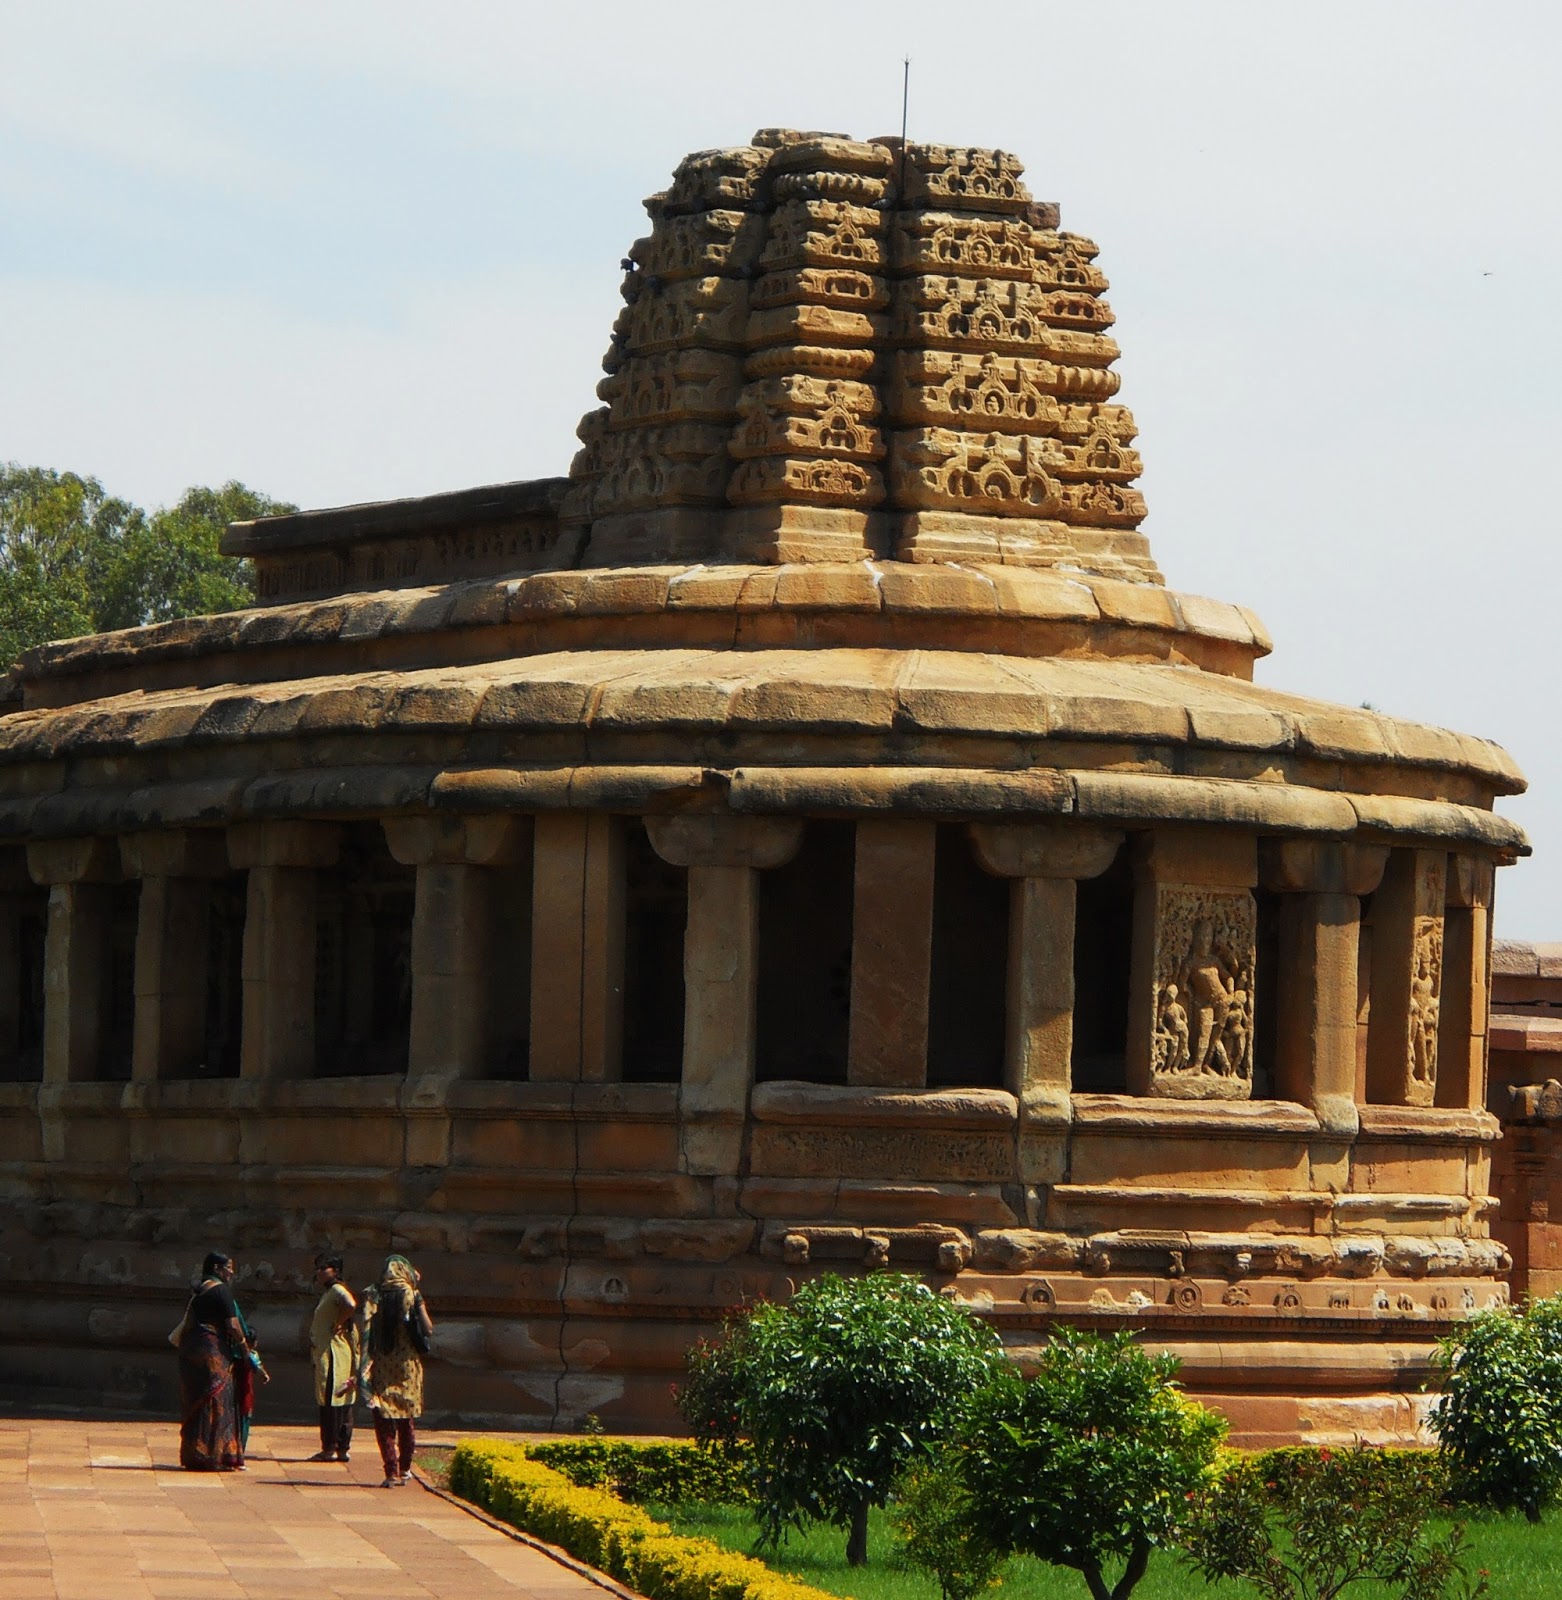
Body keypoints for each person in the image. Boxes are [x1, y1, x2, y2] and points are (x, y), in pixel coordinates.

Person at [177, 1251, 259, 1472]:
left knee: (198, 1401)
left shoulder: (199, 1290)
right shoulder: (221, 1291)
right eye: (228, 1267)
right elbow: (232, 1325)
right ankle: (215, 1454)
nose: (231, 1272)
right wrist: (244, 1349)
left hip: (193, 1352)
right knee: (219, 1400)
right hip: (214, 1353)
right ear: (216, 1269)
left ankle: (196, 1453)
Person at [359, 1254, 434, 1488]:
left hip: (383, 1362)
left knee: (384, 1418)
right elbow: (428, 1329)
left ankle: (390, 1471)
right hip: (407, 1366)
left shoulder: (375, 1294)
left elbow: (367, 1327)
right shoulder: (412, 1295)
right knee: (405, 1419)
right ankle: (405, 1469)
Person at [308, 1252, 359, 1463]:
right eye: (318, 1268)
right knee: (339, 1400)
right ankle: (340, 1447)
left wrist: (339, 1322)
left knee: (332, 1401)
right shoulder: (329, 1293)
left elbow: (351, 1304)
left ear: (335, 1271)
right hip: (333, 1353)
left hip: (334, 1355)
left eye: (324, 1268)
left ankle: (331, 1447)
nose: (319, 1272)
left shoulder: (337, 1290)